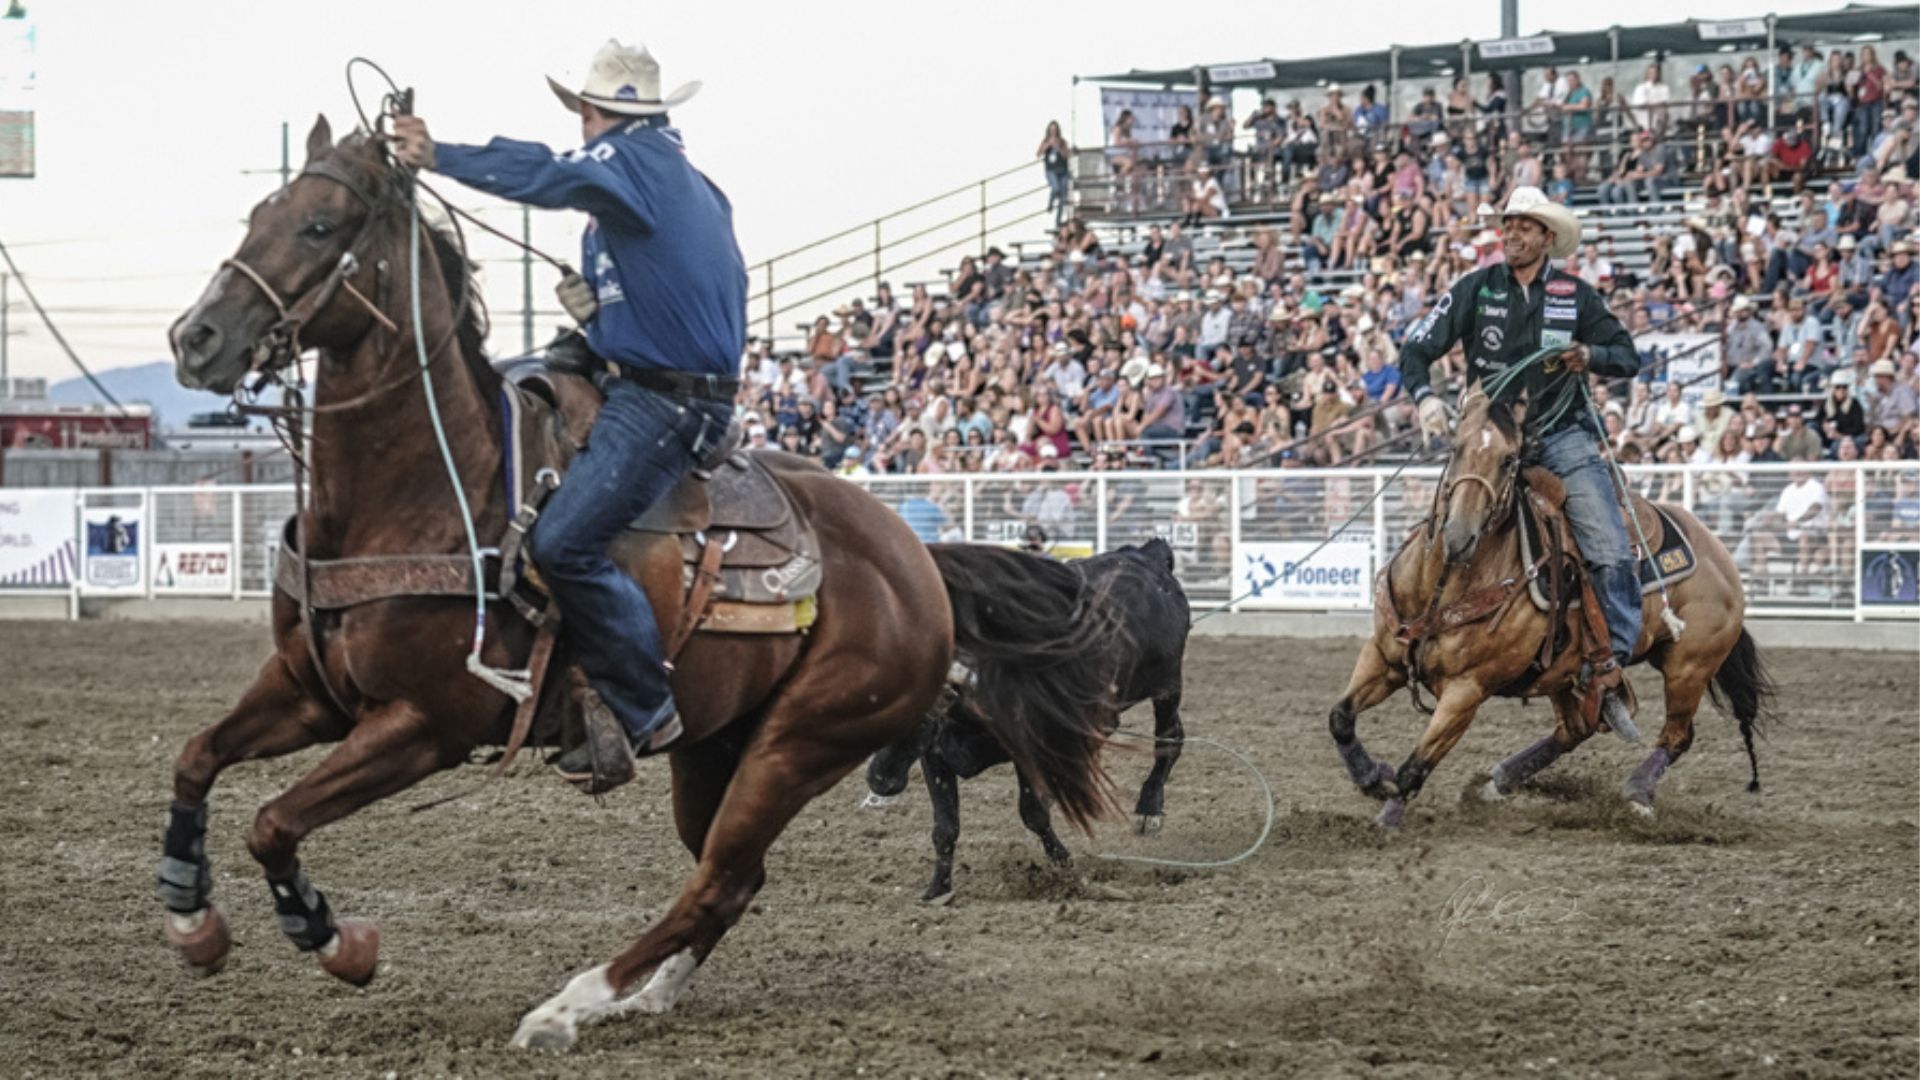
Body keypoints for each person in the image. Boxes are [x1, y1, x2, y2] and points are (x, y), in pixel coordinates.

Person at [392, 40, 744, 790]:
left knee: (564, 542)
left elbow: (550, 174)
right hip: (668, 383)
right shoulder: (691, 185)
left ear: (593, 112)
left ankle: (645, 705)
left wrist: (438, 155)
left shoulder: (629, 163)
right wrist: (606, 322)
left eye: (582, 116)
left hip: (663, 400)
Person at [1398, 186, 1643, 742]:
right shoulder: (1475, 288)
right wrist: (1425, 397)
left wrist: (1590, 356)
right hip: (1489, 439)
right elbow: (1416, 349)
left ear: (1547, 238)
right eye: (1507, 225)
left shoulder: (1575, 296)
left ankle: (1609, 664)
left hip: (1561, 437)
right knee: (1448, 528)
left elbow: (1628, 356)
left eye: (1524, 227)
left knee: (1605, 543)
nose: (1512, 234)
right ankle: (1411, 627)